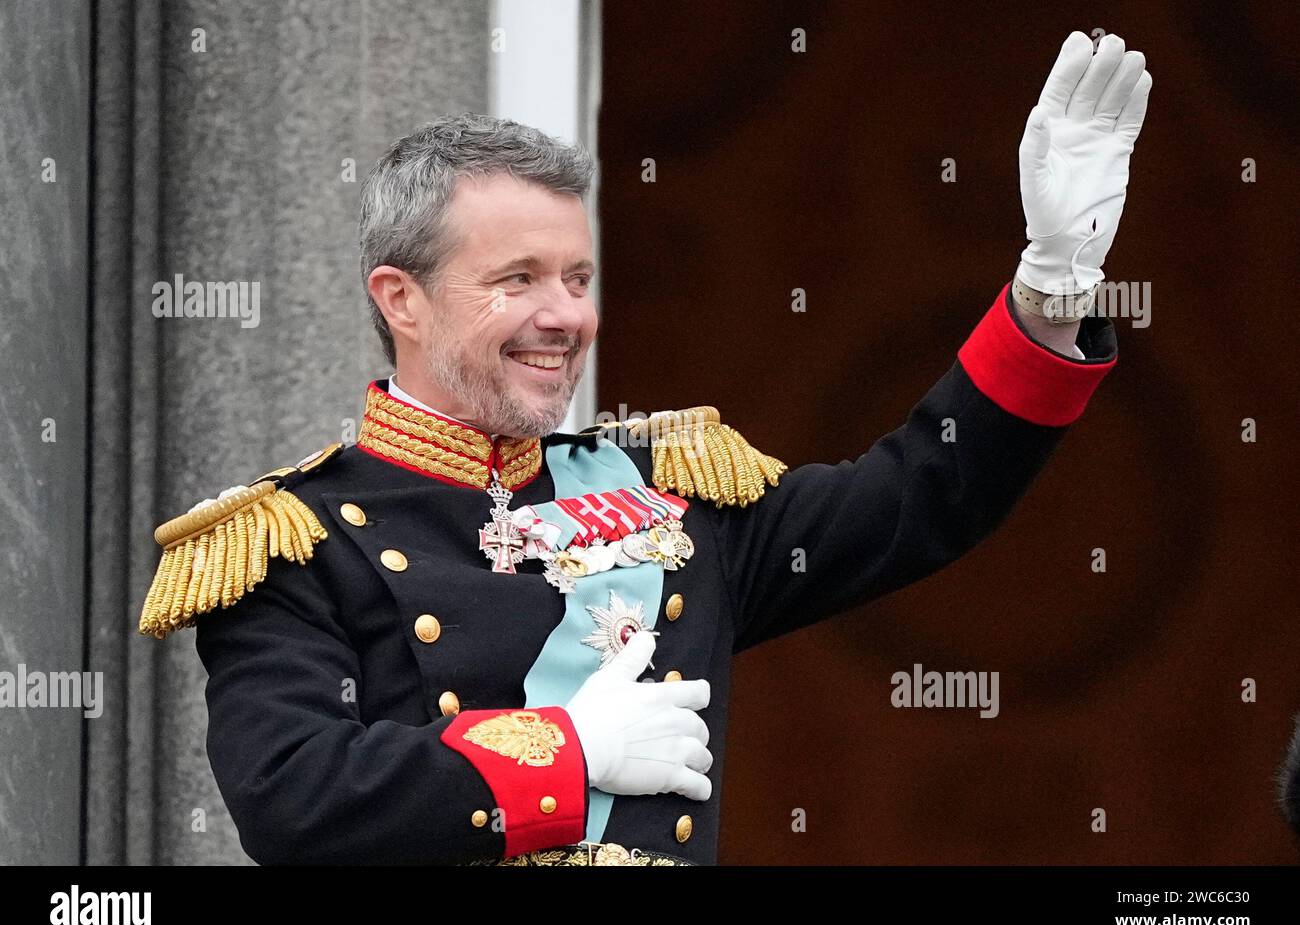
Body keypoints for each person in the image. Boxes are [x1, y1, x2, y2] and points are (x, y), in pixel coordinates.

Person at [137, 31, 1150, 865]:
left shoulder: (670, 494)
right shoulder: (293, 542)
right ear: (400, 299)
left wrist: (1048, 289)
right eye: (518, 280)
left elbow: (921, 497)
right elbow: (296, 800)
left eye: (577, 279)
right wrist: (567, 755)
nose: (562, 317)